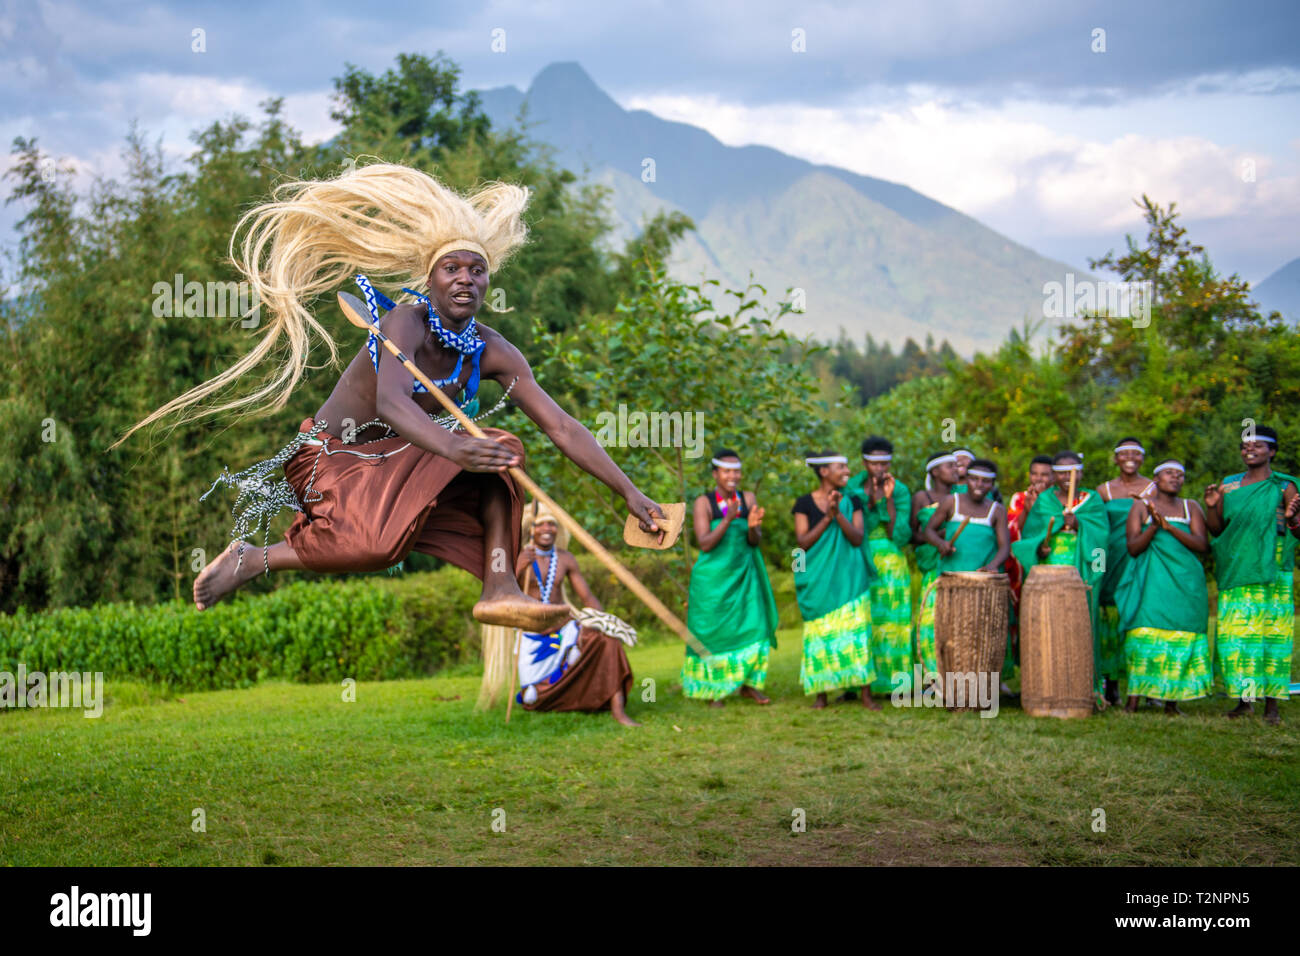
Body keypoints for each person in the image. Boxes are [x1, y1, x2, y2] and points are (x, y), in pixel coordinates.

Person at [111, 162, 667, 631]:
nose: (465, 279)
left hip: (399, 463)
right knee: (389, 538)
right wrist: (456, 451)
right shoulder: (405, 323)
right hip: (332, 457)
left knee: (498, 456)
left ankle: (500, 586)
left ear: (488, 284)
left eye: (477, 270)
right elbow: (392, 407)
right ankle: (256, 558)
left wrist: (630, 492)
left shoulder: (494, 352)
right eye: (451, 268)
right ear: (431, 281)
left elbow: (562, 426)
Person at [1204, 426, 1299, 725]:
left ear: (1272, 451)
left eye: (1258, 445)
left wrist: (1293, 518)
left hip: (1272, 572)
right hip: (1237, 568)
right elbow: (1217, 529)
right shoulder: (1228, 486)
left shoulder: (1284, 486)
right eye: (1245, 445)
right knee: (1238, 638)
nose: (1249, 449)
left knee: (1273, 636)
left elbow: (1298, 528)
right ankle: (1245, 701)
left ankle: (1272, 705)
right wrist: (1210, 508)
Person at [512, 503, 638, 725]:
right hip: (533, 633)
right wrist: (520, 565)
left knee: (608, 641)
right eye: (540, 524)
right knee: (533, 699)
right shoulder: (519, 558)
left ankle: (618, 709)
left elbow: (587, 597)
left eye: (552, 524)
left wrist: (603, 621)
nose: (547, 529)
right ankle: (563, 697)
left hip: (564, 627)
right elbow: (505, 591)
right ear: (530, 529)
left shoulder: (566, 558)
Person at [1011, 450, 1110, 700]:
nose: (1067, 477)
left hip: (1082, 569)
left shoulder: (1093, 500)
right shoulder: (1045, 501)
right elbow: (1032, 535)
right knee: (1049, 621)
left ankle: (1083, 685)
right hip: (1051, 569)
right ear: (1054, 475)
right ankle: (1045, 682)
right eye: (1062, 472)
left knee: (1079, 621)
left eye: (1073, 471)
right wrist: (1040, 548)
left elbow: (1102, 540)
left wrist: (1079, 525)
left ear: (1082, 473)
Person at [682, 450, 779, 707]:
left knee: (756, 626)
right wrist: (727, 517)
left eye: (736, 470)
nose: (732, 476)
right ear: (715, 474)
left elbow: (754, 541)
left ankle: (749, 685)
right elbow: (705, 543)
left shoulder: (748, 498)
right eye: (726, 471)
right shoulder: (704, 503)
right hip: (712, 581)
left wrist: (754, 526)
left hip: (744, 575)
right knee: (713, 634)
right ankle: (715, 690)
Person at [1115, 459, 1210, 715]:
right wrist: (1155, 526)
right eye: (1169, 473)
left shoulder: (1191, 507)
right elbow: (1133, 548)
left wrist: (1169, 527)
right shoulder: (1141, 507)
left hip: (1184, 581)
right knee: (1144, 635)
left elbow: (1202, 545)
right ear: (1156, 479)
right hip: (1151, 581)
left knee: (1180, 636)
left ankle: (1171, 702)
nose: (1176, 478)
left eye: (1180, 474)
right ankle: (1133, 700)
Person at [792, 452, 878, 710]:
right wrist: (827, 517)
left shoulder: (853, 500)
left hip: (850, 578)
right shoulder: (804, 504)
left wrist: (838, 513)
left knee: (857, 633)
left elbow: (857, 538)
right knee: (821, 633)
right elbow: (803, 542)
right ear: (824, 472)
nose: (847, 471)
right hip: (819, 579)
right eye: (841, 466)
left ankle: (865, 694)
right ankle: (821, 694)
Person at [847, 436, 914, 698]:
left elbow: (899, 535)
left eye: (885, 463)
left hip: (891, 562)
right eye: (875, 463)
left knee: (892, 622)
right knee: (862, 619)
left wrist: (887, 501)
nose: (880, 469)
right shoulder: (852, 487)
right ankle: (857, 685)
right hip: (859, 559)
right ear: (864, 462)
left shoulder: (900, 491)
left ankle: (894, 684)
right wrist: (869, 501)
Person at [1096, 438, 1157, 704]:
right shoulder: (1104, 490)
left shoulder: (1153, 487)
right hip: (1112, 557)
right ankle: (1112, 684)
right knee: (1111, 616)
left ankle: (1147, 685)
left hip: (1143, 556)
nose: (1130, 457)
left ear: (1143, 458)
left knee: (1142, 616)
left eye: (1136, 453)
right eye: (1124, 453)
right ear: (1116, 458)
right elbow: (1096, 525)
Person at [911, 452, 959, 679]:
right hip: (932, 565)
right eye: (950, 466)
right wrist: (938, 536)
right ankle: (931, 676)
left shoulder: (962, 496)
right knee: (930, 619)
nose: (956, 470)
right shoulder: (922, 497)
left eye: (956, 466)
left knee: (955, 620)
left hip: (957, 564)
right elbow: (913, 535)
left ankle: (956, 673)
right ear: (935, 471)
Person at [924, 459, 1011, 574]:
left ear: (992, 485)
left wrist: (992, 565)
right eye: (974, 479)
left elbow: (1004, 547)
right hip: (951, 573)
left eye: (986, 481)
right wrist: (940, 543)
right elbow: (929, 530)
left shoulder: (997, 511)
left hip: (983, 577)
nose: (979, 485)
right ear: (966, 479)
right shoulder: (951, 502)